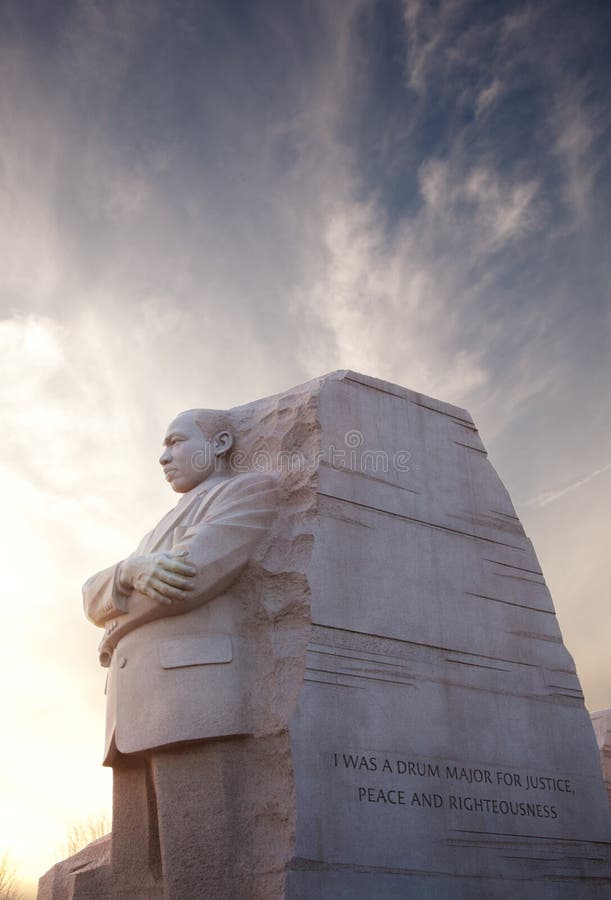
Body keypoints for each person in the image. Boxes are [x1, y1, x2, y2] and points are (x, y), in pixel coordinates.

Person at [82, 408, 280, 897]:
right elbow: (89, 594)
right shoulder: (156, 531)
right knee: (137, 877)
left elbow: (187, 577)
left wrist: (112, 627)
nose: (163, 457)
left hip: (192, 702)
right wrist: (129, 571)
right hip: (131, 712)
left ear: (220, 442)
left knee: (202, 872)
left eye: (175, 442)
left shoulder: (246, 491)